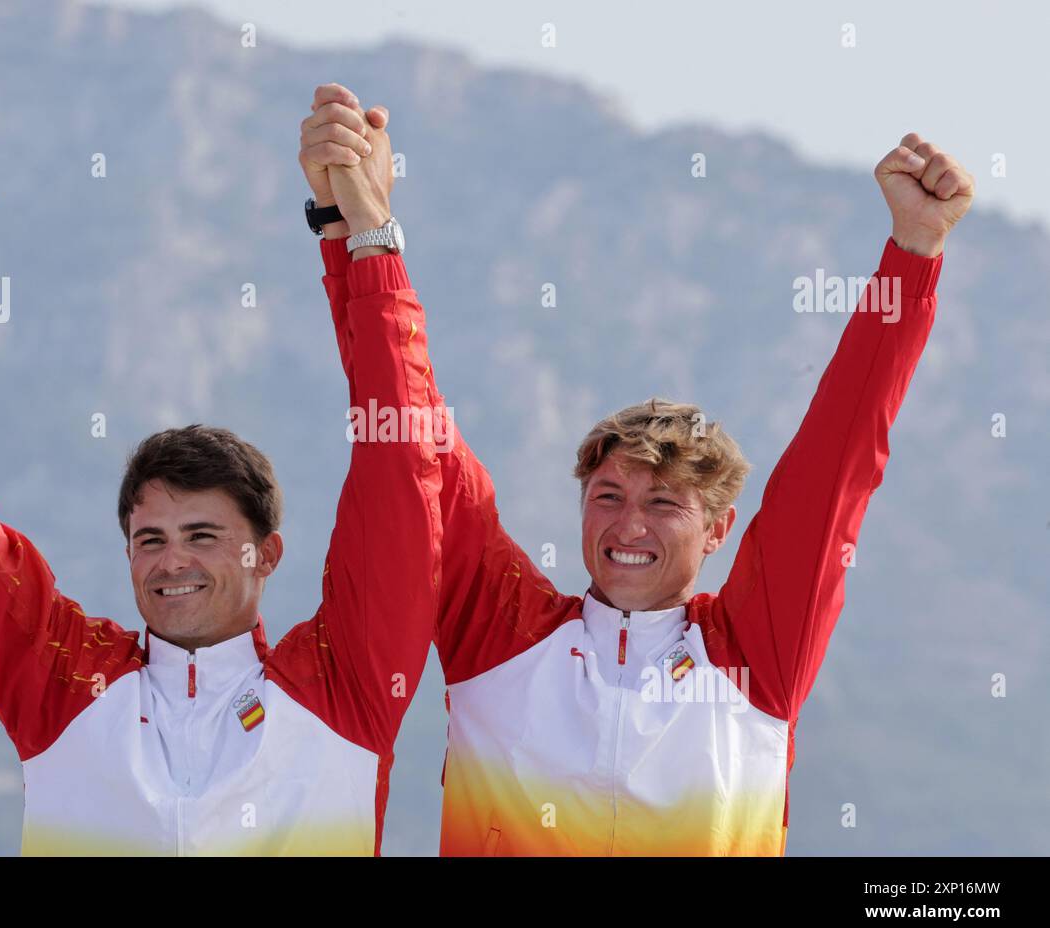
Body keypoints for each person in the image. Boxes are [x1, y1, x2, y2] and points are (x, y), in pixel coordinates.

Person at [306, 85, 974, 855]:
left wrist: (914, 253)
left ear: (720, 529)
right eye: (609, 495)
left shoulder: (756, 654)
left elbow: (842, 455)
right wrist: (360, 231)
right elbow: (406, 427)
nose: (628, 525)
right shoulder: (500, 631)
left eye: (663, 504)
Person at [0, 101, 439, 856]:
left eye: (202, 535)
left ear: (266, 555)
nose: (171, 560)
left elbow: (401, 471)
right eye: (150, 539)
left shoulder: (344, 691)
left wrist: (365, 238)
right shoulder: (66, 684)